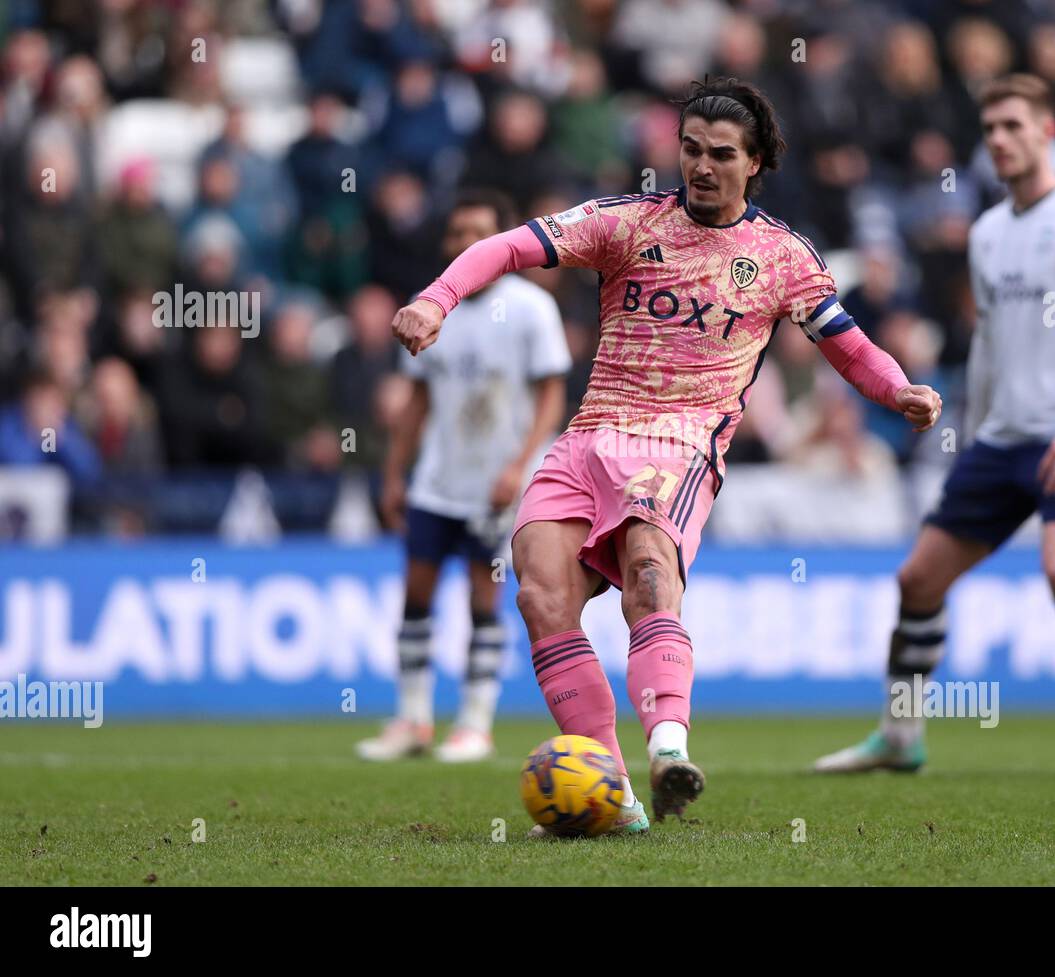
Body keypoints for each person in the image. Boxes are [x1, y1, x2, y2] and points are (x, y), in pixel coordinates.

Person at [392, 76, 940, 833]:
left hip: (678, 445)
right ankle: (610, 786)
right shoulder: (625, 224)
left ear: (756, 163)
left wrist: (900, 389)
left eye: (721, 154)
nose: (701, 166)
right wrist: (436, 299)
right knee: (539, 594)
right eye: (690, 149)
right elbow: (510, 244)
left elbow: (848, 348)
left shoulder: (782, 258)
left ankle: (668, 751)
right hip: (586, 439)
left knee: (649, 573)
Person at [816, 74, 1055, 778]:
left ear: (1047, 131)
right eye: (991, 129)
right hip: (1001, 438)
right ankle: (900, 735)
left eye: (1014, 125)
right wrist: (967, 427)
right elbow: (991, 343)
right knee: (918, 578)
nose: (1001, 140)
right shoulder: (987, 232)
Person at [357, 189, 569, 764]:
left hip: (496, 483)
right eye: (456, 233)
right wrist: (394, 472)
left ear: (503, 241)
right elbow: (418, 399)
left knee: (485, 598)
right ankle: (412, 720)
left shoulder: (531, 308)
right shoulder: (431, 307)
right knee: (416, 597)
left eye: (479, 231)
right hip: (436, 480)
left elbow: (552, 393)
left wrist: (522, 466)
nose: (465, 242)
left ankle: (475, 722)